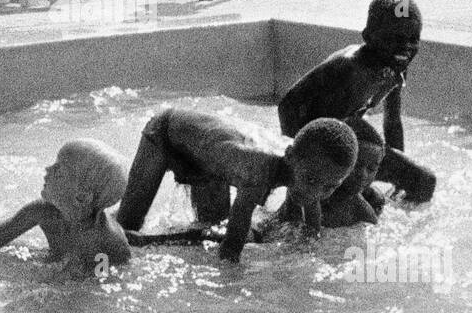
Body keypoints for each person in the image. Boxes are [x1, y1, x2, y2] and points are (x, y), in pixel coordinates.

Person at [116, 109, 358, 262]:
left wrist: (311, 253)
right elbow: (231, 248)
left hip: (210, 160)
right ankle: (140, 240)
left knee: (209, 229)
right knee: (123, 233)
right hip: (165, 135)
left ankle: (154, 241)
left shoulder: (308, 165)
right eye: (312, 181)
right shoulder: (258, 173)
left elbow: (311, 222)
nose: (316, 193)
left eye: (330, 187)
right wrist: (234, 288)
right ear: (290, 156)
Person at [277, 0, 437, 205]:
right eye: (395, 39)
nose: (405, 47)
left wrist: (395, 176)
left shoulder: (396, 68)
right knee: (364, 202)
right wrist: (298, 161)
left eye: (413, 39)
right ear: (368, 37)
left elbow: (393, 123)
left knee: (423, 181)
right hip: (318, 149)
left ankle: (393, 215)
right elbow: (287, 105)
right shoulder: (350, 68)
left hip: (351, 144)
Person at [0, 140, 131, 286]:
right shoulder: (44, 212)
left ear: (81, 197)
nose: (47, 170)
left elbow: (107, 285)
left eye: (59, 171)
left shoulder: (109, 243)